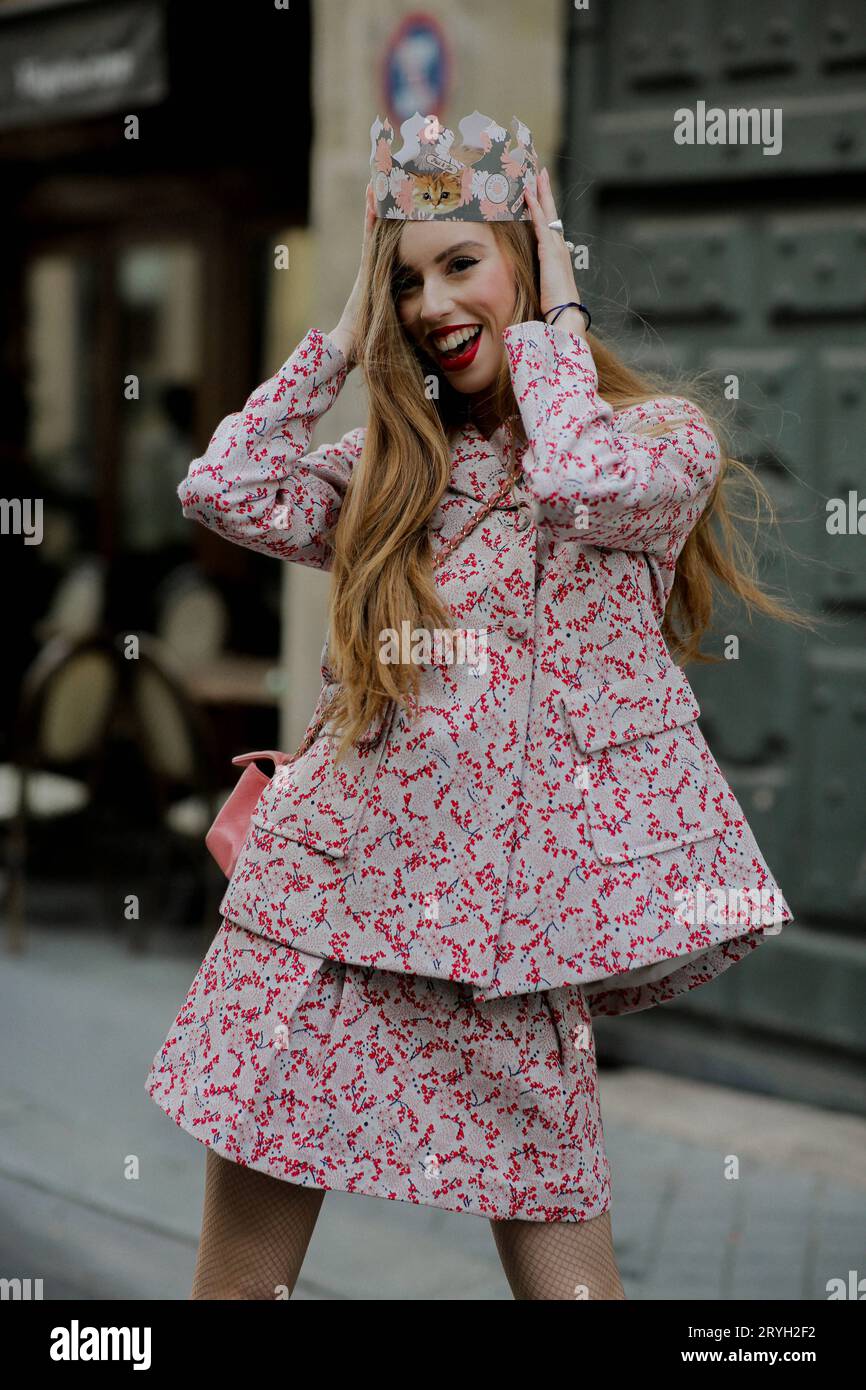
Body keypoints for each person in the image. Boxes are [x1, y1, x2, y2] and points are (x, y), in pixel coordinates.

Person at [145, 112, 809, 1301]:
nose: (429, 303)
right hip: (320, 916)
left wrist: (555, 318)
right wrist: (342, 339)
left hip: (506, 939)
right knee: (241, 1293)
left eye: (462, 263)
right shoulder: (391, 472)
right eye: (406, 280)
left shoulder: (657, 442)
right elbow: (222, 486)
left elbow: (574, 478)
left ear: (530, 256)